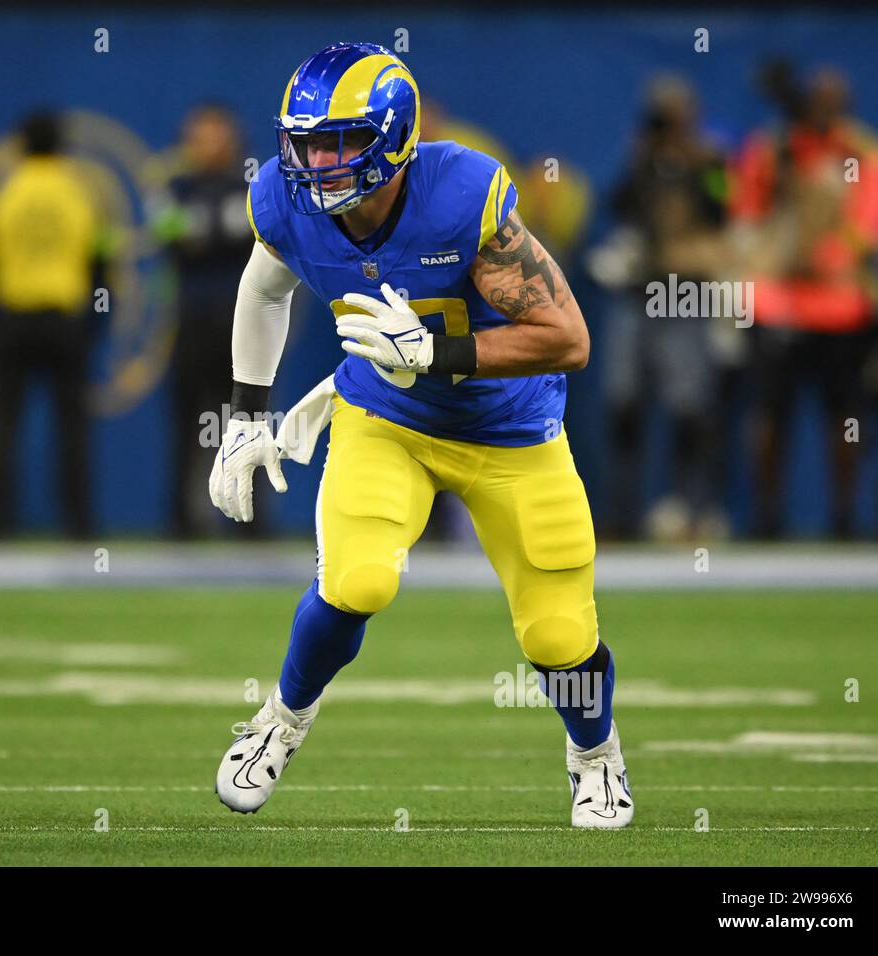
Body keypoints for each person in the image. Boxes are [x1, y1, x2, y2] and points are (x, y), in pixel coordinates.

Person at [208, 43, 631, 828]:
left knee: (559, 633)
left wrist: (439, 351)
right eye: (303, 144)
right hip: (389, 420)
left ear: (393, 140)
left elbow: (568, 337)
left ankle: (595, 755)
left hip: (510, 427)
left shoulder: (462, 195)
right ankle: (280, 720)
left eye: (337, 144)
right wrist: (244, 415)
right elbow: (263, 291)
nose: (316, 165)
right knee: (357, 581)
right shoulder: (286, 200)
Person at [732, 65, 878, 538]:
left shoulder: (862, 155)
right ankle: (767, 520)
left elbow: (872, 227)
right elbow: (744, 215)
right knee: (767, 417)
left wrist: (823, 253)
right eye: (816, 98)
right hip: (776, 305)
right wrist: (778, 249)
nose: (824, 107)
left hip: (843, 310)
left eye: (834, 99)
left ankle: (843, 517)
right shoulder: (772, 149)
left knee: (845, 419)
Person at [604, 77, 732, 540]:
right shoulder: (643, 161)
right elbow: (618, 206)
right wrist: (645, 158)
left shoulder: (710, 160)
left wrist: (700, 166)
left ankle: (691, 509)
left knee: (690, 404)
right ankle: (622, 511)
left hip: (686, 291)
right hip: (640, 290)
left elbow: (722, 208)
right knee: (622, 402)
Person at [0, 113, 102, 538]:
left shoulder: (3, 195)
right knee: (72, 429)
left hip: (13, 319)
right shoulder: (78, 194)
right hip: (64, 321)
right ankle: (78, 526)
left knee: (3, 427)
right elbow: (100, 262)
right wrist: (93, 325)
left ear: (20, 145)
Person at [155, 104, 259, 537]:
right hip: (192, 322)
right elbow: (174, 241)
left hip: (242, 324)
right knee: (187, 425)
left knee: (248, 421)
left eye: (217, 134)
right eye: (201, 134)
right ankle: (183, 520)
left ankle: (251, 520)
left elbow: (249, 245)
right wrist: (212, 238)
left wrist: (206, 238)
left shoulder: (252, 187)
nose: (210, 144)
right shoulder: (176, 189)